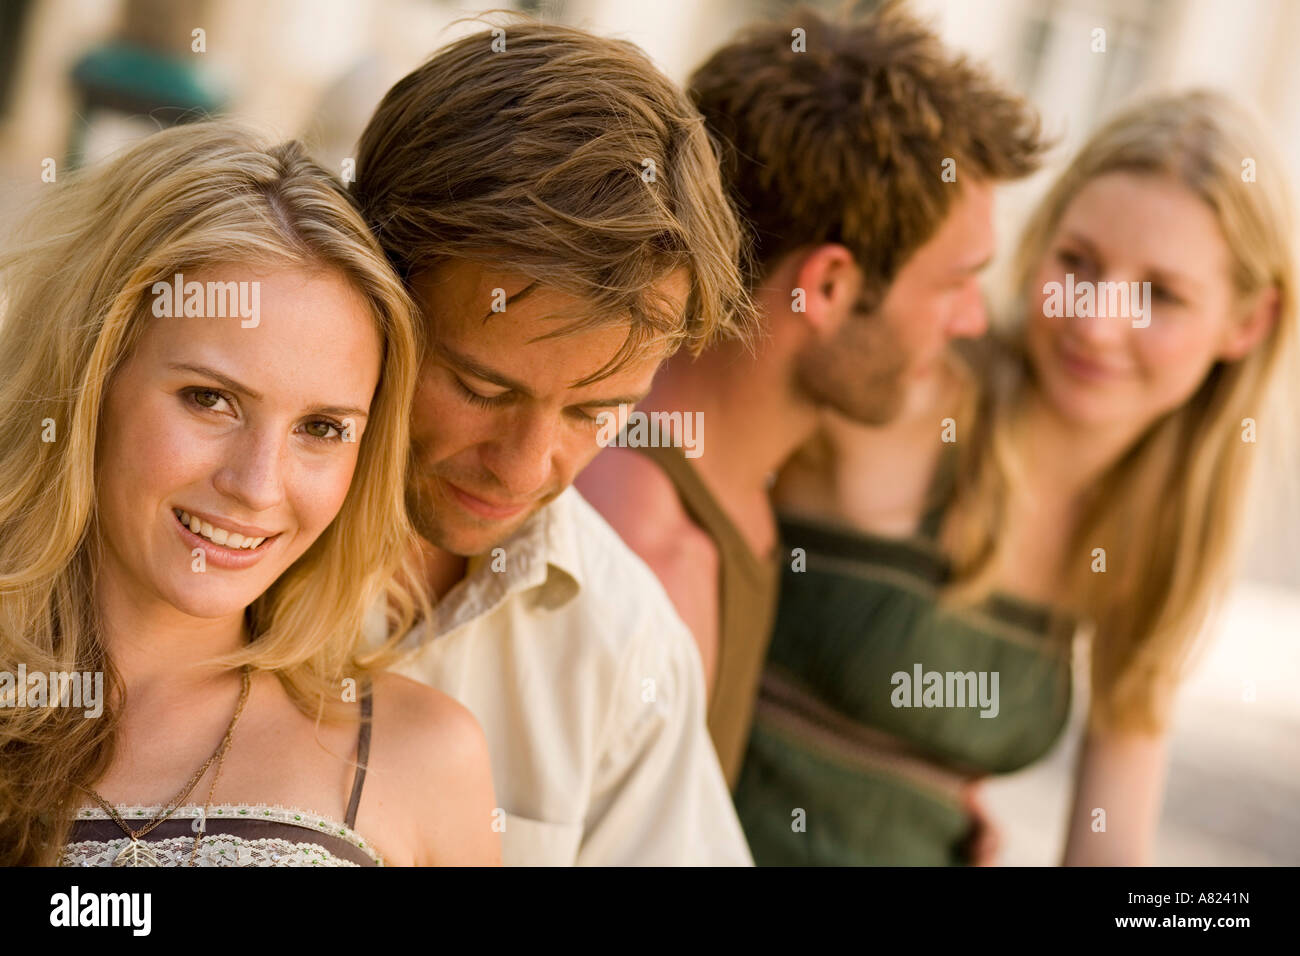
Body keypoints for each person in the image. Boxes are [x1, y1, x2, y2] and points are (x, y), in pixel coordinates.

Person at [744, 89, 1296, 865]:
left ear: (1247, 323)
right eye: (1077, 262)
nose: (1097, 323)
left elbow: (1111, 850)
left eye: (1160, 295)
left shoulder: (1152, 535)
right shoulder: (904, 396)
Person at [0, 122, 499, 867]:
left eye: (323, 428)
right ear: (88, 381)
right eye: (209, 399)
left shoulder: (423, 759)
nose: (257, 485)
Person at [577, 1, 1045, 787]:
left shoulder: (733, 495)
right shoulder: (649, 556)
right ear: (827, 286)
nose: (973, 320)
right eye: (957, 281)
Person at [352, 19, 756, 864]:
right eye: (481, 388)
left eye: (593, 412)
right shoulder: (212, 530)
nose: (527, 466)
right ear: (374, 289)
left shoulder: (626, 647)